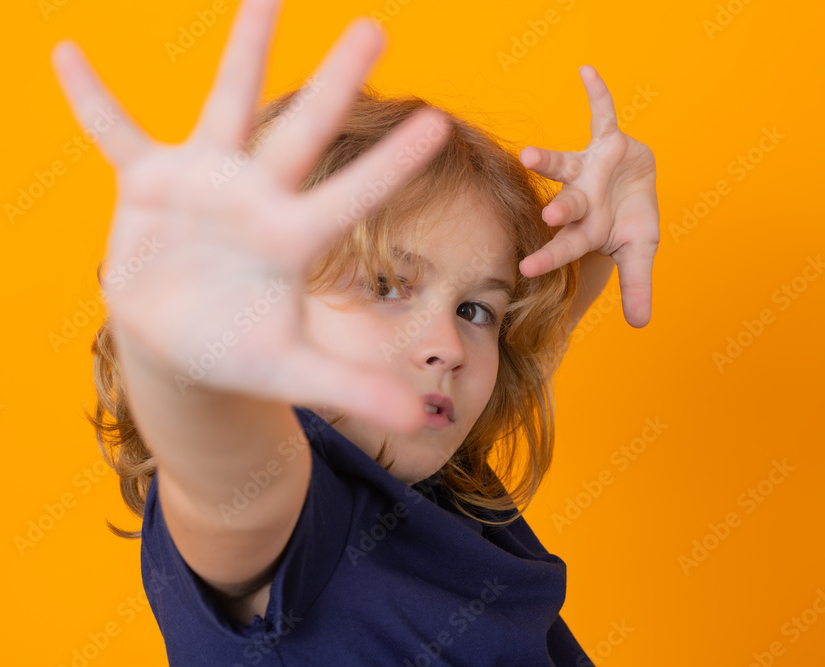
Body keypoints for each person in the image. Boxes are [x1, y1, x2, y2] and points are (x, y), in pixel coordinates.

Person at [50, 0, 658, 664]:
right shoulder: (290, 509)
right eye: (385, 286)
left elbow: (524, 336)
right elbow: (220, 456)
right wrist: (184, 349)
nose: (447, 347)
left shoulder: (432, 476)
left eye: (473, 310)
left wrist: (597, 239)